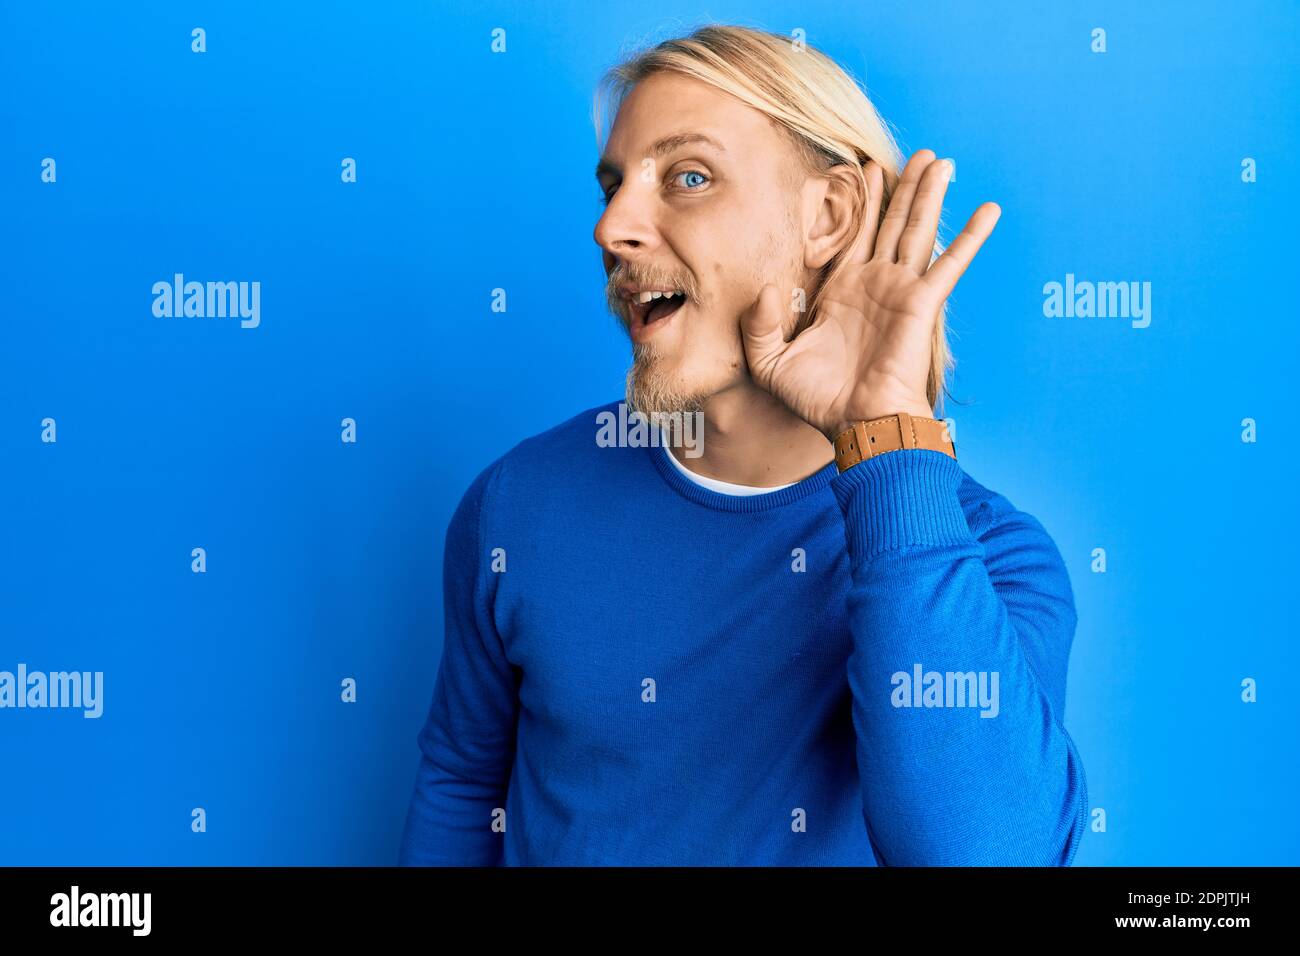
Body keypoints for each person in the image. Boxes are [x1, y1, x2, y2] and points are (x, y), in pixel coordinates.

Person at [398, 24, 1087, 866]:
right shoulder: (517, 505)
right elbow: (462, 785)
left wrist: (888, 443)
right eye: (613, 185)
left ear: (827, 216)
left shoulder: (991, 561)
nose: (612, 227)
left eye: (687, 177)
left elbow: (983, 854)